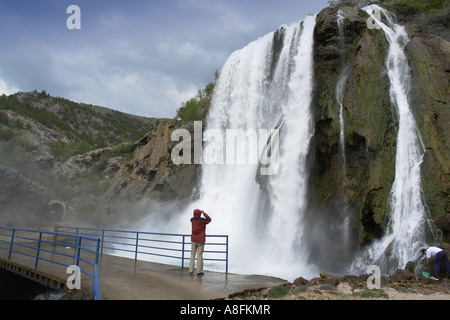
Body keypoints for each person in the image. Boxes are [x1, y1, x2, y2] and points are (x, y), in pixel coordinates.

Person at [189, 209, 211, 276]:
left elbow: (192, 218)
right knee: (199, 255)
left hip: (193, 239)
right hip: (200, 240)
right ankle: (199, 271)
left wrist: (199, 213)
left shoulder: (192, 220)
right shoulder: (202, 220)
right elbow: (209, 219)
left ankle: (191, 270)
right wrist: (204, 213)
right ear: (199, 214)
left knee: (192, 255)